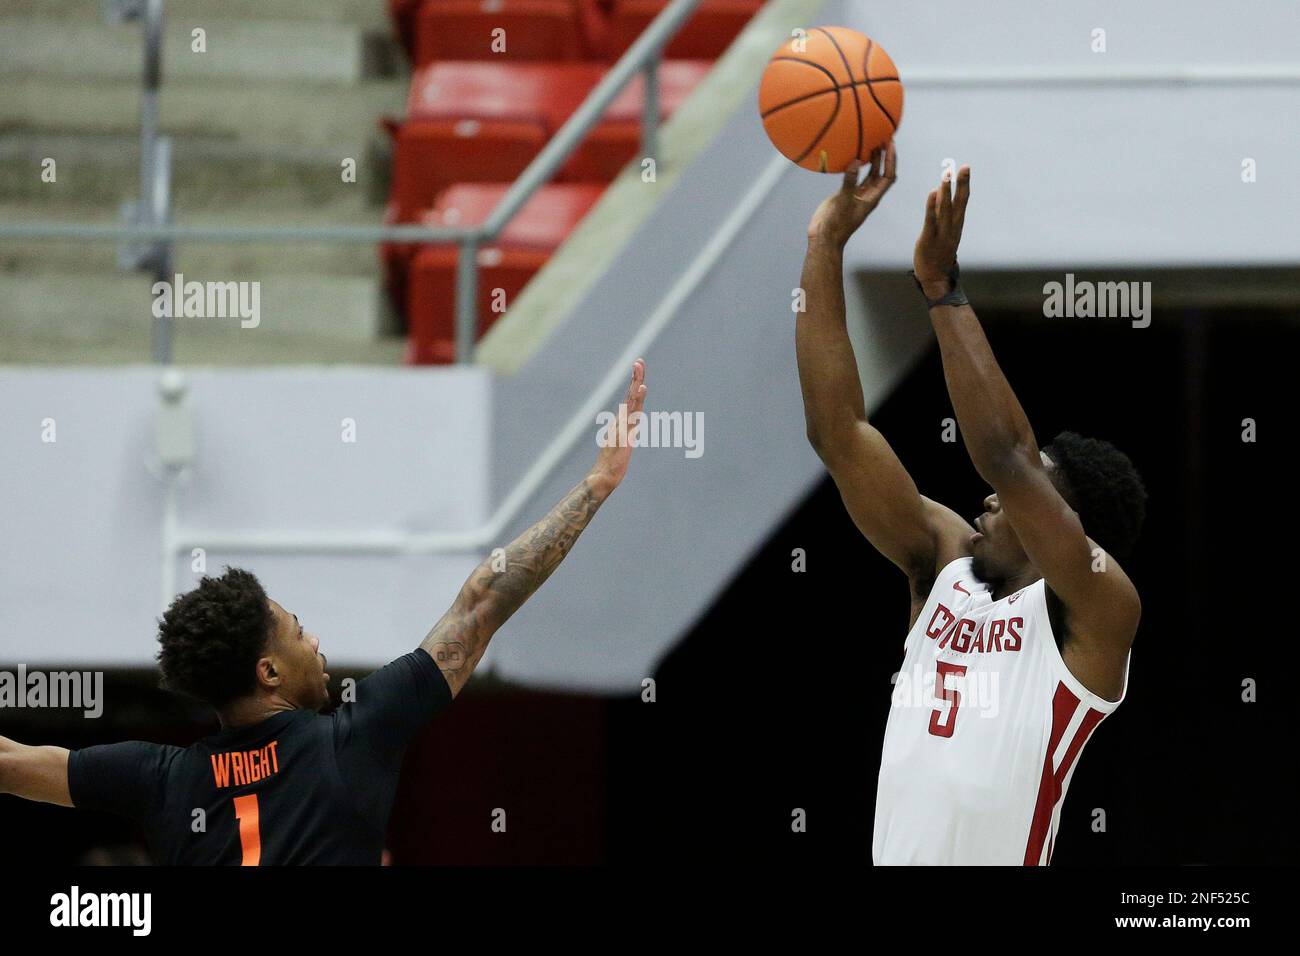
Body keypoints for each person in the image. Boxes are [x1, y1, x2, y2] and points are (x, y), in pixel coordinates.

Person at [0, 360, 648, 865]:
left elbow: (14, 765)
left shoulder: (160, 778)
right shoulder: (353, 739)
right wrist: (594, 487)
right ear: (268, 672)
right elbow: (482, 603)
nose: (317, 644)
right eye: (298, 632)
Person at [797, 144, 1146, 864]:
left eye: (1032, 494)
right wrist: (824, 243)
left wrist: (941, 286)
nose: (992, 496)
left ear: (1070, 525)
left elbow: (1004, 456)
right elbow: (838, 432)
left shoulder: (1096, 612)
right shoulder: (943, 565)